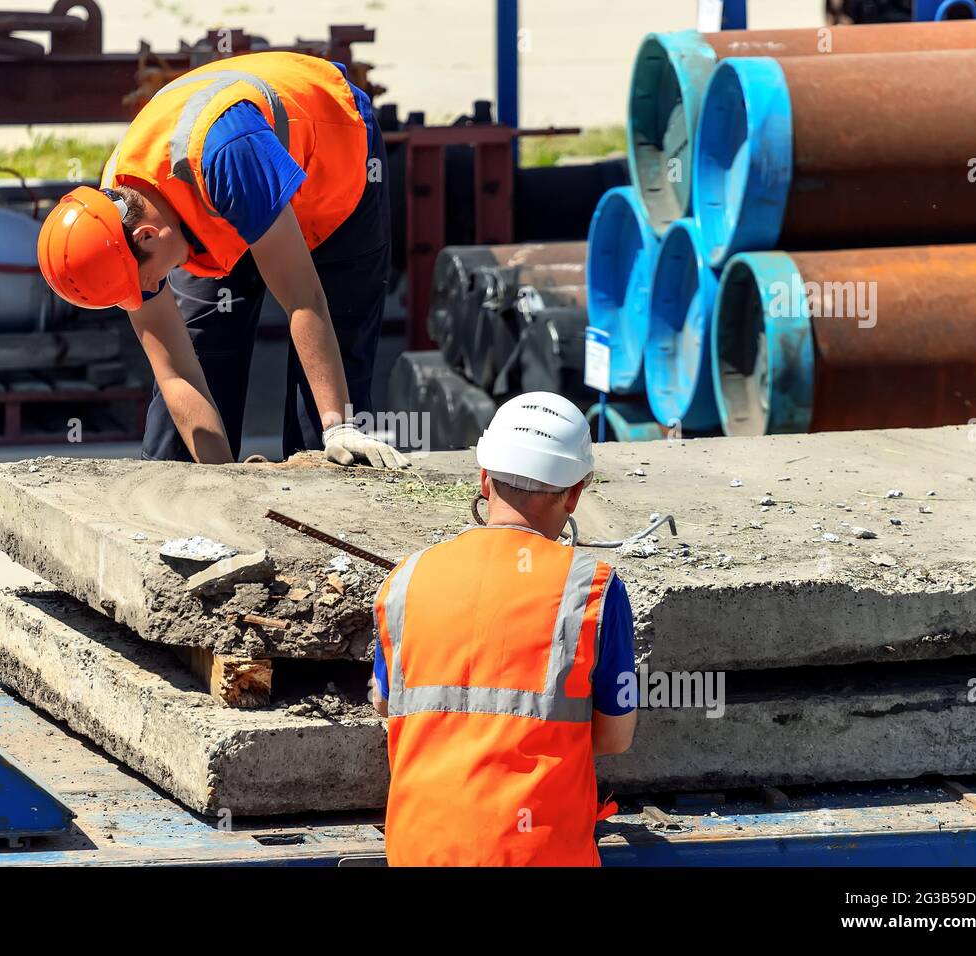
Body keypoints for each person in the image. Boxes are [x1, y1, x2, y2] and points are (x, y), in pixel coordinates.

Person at [36, 51, 407, 469]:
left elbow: (303, 298)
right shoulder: (115, 217)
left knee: (328, 395)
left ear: (146, 236)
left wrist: (338, 425)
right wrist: (223, 484)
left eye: (137, 285)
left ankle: (326, 494)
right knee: (204, 350)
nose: (143, 296)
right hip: (229, 194)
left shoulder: (227, 153)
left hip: (335, 163)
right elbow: (177, 375)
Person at [371, 392, 637, 866]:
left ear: (484, 478)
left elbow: (387, 703)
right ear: (574, 493)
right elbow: (614, 739)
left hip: (420, 850)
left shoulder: (406, 580)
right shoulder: (593, 588)